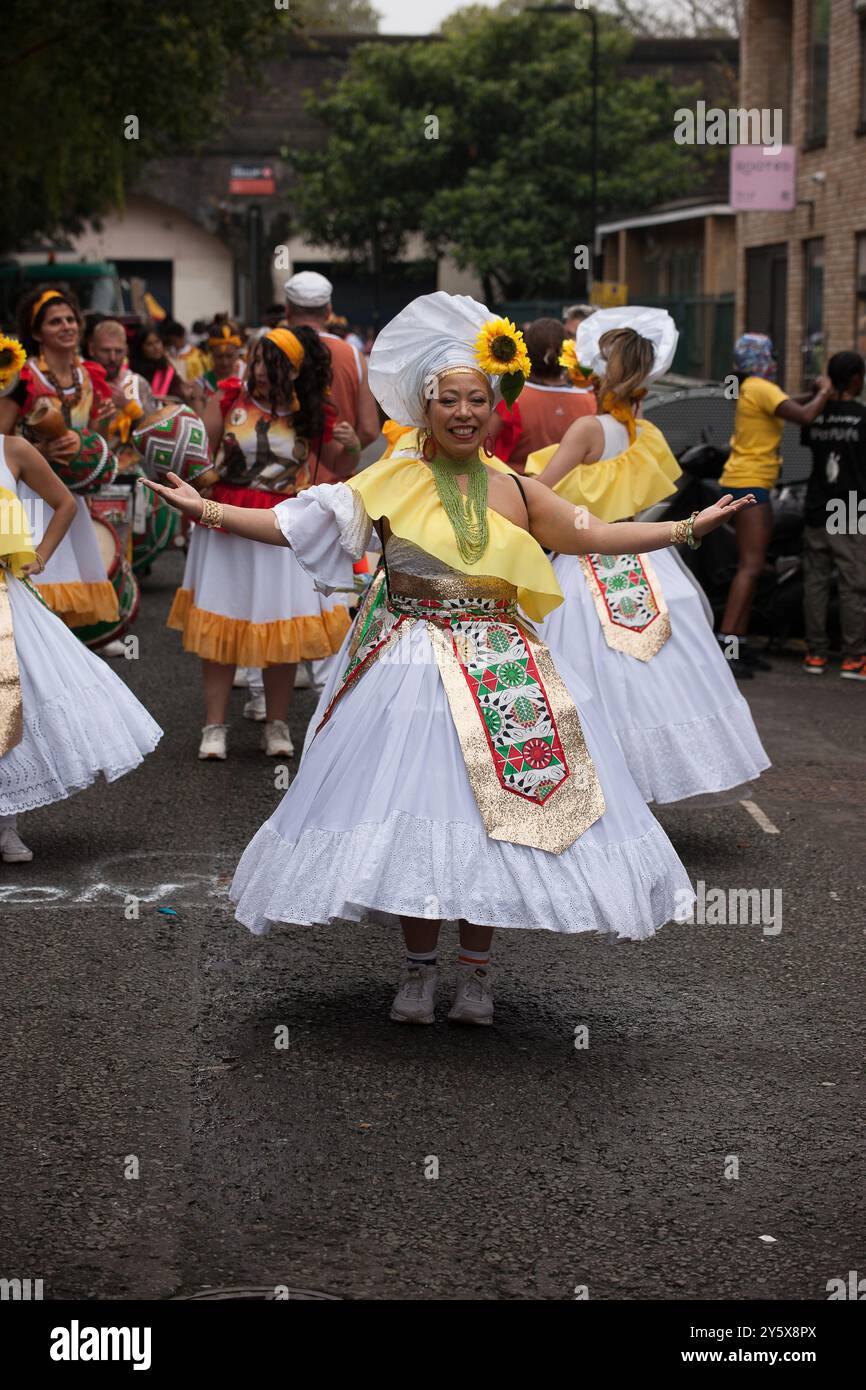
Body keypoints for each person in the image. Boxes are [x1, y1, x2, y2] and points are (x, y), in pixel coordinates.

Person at [141, 292, 754, 1027]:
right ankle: (417, 971)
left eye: (476, 401)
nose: (464, 413)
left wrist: (689, 525)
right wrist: (205, 509)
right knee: (418, 819)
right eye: (449, 401)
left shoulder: (519, 488)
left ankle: (476, 978)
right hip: (411, 670)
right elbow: (290, 520)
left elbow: (592, 534)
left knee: (498, 829)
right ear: (426, 410)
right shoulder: (391, 480)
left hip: (507, 669)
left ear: (495, 409)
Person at [527, 307, 770, 804]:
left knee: (588, 678)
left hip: (585, 560)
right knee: (647, 682)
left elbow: (537, 492)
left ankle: (593, 787)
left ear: (595, 372)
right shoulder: (644, 431)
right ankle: (646, 783)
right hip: (646, 559)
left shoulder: (587, 431)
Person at [165, 327, 352, 760]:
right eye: (258, 360)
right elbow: (197, 457)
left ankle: (277, 724)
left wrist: (352, 447)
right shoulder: (229, 397)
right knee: (222, 620)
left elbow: (331, 474)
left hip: (282, 529)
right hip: (225, 526)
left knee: (279, 623)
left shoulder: (312, 411)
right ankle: (214, 727)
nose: (263, 370)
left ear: (296, 369)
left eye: (275, 363)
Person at [0, 430, 162, 863]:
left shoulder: (11, 448)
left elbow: (65, 504)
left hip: (4, 595)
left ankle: (6, 824)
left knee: (12, 705)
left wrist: (40, 555)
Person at [0, 287, 119, 629]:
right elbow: (1, 439)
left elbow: (92, 441)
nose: (66, 326)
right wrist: (40, 452)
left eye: (70, 319)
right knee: (37, 588)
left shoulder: (90, 376)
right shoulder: (23, 378)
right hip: (30, 498)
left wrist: (102, 428)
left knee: (70, 592)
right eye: (55, 322)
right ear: (36, 333)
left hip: (71, 497)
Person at [717, 333, 832, 672]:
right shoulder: (761, 387)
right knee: (750, 566)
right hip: (752, 483)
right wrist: (824, 390)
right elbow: (805, 416)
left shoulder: (749, 387)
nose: (777, 360)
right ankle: (728, 646)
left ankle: (738, 643)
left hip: (744, 480)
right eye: (772, 354)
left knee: (753, 565)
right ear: (762, 357)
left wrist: (811, 395)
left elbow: (785, 403)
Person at [800, 350, 866, 679]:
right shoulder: (862, 416)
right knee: (853, 585)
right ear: (856, 378)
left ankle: (815, 654)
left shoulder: (817, 415)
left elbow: (807, 444)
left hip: (816, 505)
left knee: (816, 581)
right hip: (852, 508)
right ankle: (854, 658)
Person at [283, 271, 378, 483]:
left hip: (276, 484)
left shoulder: (268, 350)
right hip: (333, 487)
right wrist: (342, 455)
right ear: (328, 311)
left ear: (287, 311)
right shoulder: (353, 355)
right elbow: (370, 430)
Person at [488, 317, 596, 471]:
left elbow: (483, 448)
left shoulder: (512, 398)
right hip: (568, 492)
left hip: (518, 489)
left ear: (525, 352)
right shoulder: (589, 402)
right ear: (567, 353)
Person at [129, 326, 184, 401]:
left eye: (157, 342)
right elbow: (128, 398)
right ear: (140, 348)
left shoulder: (167, 369)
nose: (156, 347)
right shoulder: (131, 373)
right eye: (149, 344)